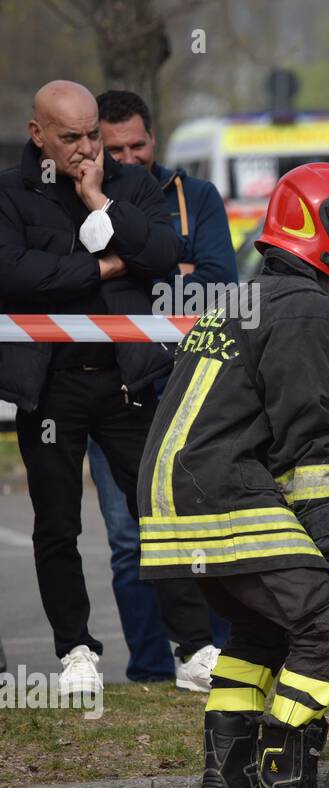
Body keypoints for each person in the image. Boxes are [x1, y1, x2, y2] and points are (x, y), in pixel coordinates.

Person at [137, 163, 329, 788]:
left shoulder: (248, 296)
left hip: (173, 499)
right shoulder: (307, 307)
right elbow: (303, 456)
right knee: (327, 624)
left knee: (260, 633)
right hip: (221, 493)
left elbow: (268, 412)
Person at [0, 80, 214, 698]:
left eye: (92, 133)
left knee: (160, 513)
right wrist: (102, 266)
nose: (86, 146)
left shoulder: (125, 183)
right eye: (70, 137)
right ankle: (74, 650)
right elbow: (15, 275)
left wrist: (99, 200)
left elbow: (168, 252)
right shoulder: (11, 193)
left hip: (128, 381)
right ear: (37, 132)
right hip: (50, 386)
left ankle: (195, 647)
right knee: (57, 524)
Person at [94, 88, 238, 687]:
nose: (127, 159)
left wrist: (129, 268)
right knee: (131, 537)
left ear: (154, 138)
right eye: (113, 149)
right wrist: (164, 263)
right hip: (111, 389)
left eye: (137, 145)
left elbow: (217, 282)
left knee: (210, 528)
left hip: (191, 388)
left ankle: (220, 660)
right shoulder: (78, 199)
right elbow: (76, 291)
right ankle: (151, 669)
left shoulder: (194, 195)